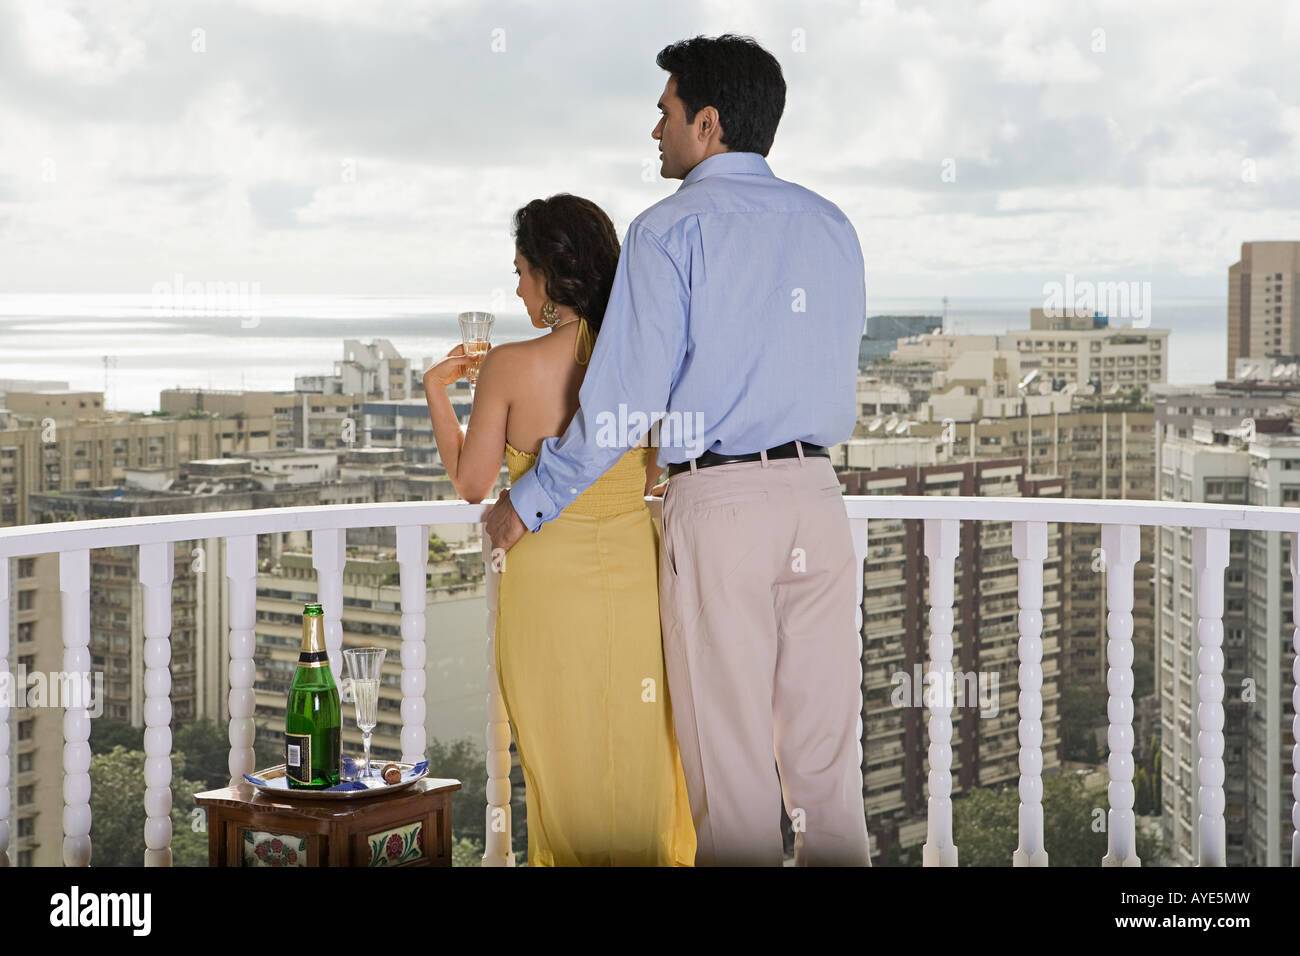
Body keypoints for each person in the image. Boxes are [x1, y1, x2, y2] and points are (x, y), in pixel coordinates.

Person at [485, 34, 872, 866]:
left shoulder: (666, 232)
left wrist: (528, 501)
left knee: (729, 776)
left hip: (721, 505)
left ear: (707, 122)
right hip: (817, 498)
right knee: (826, 765)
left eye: (663, 113)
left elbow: (621, 407)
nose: (652, 129)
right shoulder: (832, 225)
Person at [422, 193, 695, 866]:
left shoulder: (511, 366)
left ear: (548, 276)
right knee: (642, 750)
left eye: (520, 270)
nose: (515, 286)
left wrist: (438, 391)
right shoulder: (640, 357)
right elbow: (660, 463)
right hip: (635, 576)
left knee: (563, 760)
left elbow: (472, 484)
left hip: (545, 591)